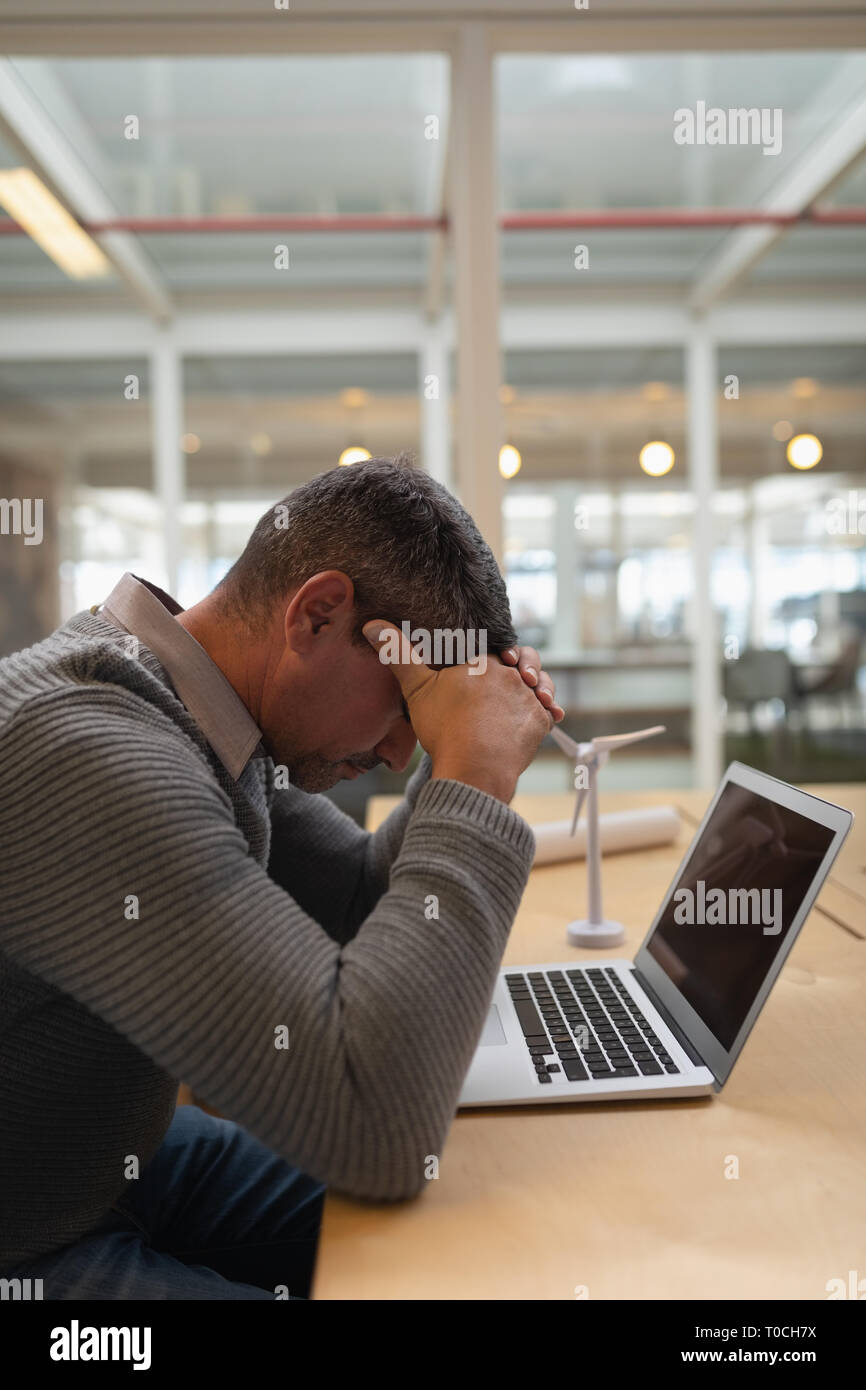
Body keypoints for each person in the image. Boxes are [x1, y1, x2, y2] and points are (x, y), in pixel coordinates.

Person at [0, 453, 563, 1300]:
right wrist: (472, 778)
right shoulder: (95, 750)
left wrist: (458, 760)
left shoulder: (191, 707)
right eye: (406, 701)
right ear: (318, 614)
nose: (400, 752)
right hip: (22, 1243)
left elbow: (355, 903)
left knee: (486, 1227)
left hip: (98, 1161)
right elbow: (375, 1121)